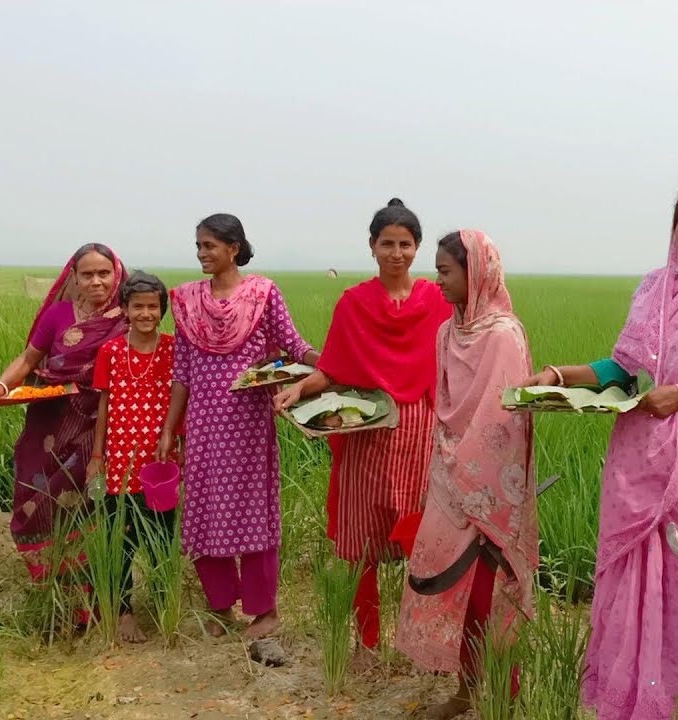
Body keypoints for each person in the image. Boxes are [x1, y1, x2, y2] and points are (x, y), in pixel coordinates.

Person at [524, 182, 678, 718]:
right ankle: (637, 699)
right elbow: (623, 368)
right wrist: (559, 376)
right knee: (634, 579)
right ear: (673, 227)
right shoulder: (652, 290)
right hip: (640, 458)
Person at [275, 198, 451, 668]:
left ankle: (424, 639)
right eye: (387, 243)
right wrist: (299, 388)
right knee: (359, 541)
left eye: (405, 244)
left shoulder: (435, 300)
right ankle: (367, 642)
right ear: (372, 247)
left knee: (422, 535)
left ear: (416, 249)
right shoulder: (354, 302)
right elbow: (332, 369)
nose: (396, 252)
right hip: (365, 427)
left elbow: (458, 361)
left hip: (418, 426)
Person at [157, 213, 319, 641]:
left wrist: (328, 362)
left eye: (209, 246)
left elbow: (292, 343)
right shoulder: (188, 300)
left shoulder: (262, 293)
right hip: (204, 424)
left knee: (252, 513)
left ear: (234, 248)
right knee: (204, 511)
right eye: (198, 246)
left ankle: (265, 612)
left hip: (248, 423)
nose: (201, 254)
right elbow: (183, 371)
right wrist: (170, 428)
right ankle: (220, 607)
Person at [395, 229, 535, 720]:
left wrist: (467, 475)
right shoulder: (447, 332)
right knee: (454, 594)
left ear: (475, 273)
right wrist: (447, 468)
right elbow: (447, 408)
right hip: (449, 479)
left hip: (490, 488)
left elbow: (503, 420)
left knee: (490, 595)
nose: (437, 281)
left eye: (446, 271)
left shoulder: (503, 335)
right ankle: (464, 691)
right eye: (436, 270)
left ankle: (501, 696)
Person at [0, 243, 128, 614]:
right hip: (49, 418)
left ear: (117, 274)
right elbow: (29, 359)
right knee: (35, 499)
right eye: (87, 274)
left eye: (103, 273)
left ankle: (100, 604)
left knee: (92, 509)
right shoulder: (59, 314)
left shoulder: (130, 315)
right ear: (74, 278)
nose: (96, 282)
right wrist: (1, 384)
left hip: (99, 426)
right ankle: (55, 597)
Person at [88, 271, 178, 643]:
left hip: (160, 457)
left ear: (162, 311)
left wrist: (179, 445)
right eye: (137, 306)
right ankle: (123, 611)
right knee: (119, 536)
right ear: (124, 309)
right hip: (120, 457)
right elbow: (104, 405)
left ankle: (163, 603)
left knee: (162, 532)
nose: (145, 313)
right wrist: (97, 454)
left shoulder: (174, 348)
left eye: (152, 307)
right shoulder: (110, 351)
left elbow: (180, 399)